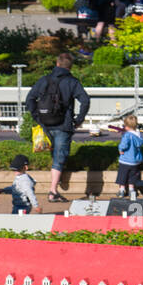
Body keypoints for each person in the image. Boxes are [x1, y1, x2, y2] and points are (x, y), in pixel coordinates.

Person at [25, 52, 90, 202]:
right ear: (70, 66)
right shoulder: (72, 82)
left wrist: (37, 117)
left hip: (45, 123)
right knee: (59, 156)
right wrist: (79, 119)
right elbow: (85, 101)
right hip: (64, 124)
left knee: (55, 153)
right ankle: (53, 191)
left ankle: (57, 179)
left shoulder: (44, 79)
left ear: (57, 64)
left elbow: (30, 99)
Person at [111, 114, 143, 197]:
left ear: (127, 126)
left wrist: (120, 150)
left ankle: (122, 191)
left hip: (125, 160)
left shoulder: (127, 135)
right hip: (135, 161)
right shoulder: (139, 135)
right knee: (132, 177)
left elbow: (124, 145)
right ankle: (131, 191)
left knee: (122, 176)